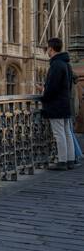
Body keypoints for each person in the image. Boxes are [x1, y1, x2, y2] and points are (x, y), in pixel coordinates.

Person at [39, 37, 76, 170]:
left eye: (47, 48)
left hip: (56, 105)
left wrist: (44, 96)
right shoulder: (66, 64)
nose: (46, 50)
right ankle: (70, 160)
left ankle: (62, 162)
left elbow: (53, 87)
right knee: (67, 132)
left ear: (51, 48)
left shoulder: (56, 65)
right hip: (65, 103)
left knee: (59, 133)